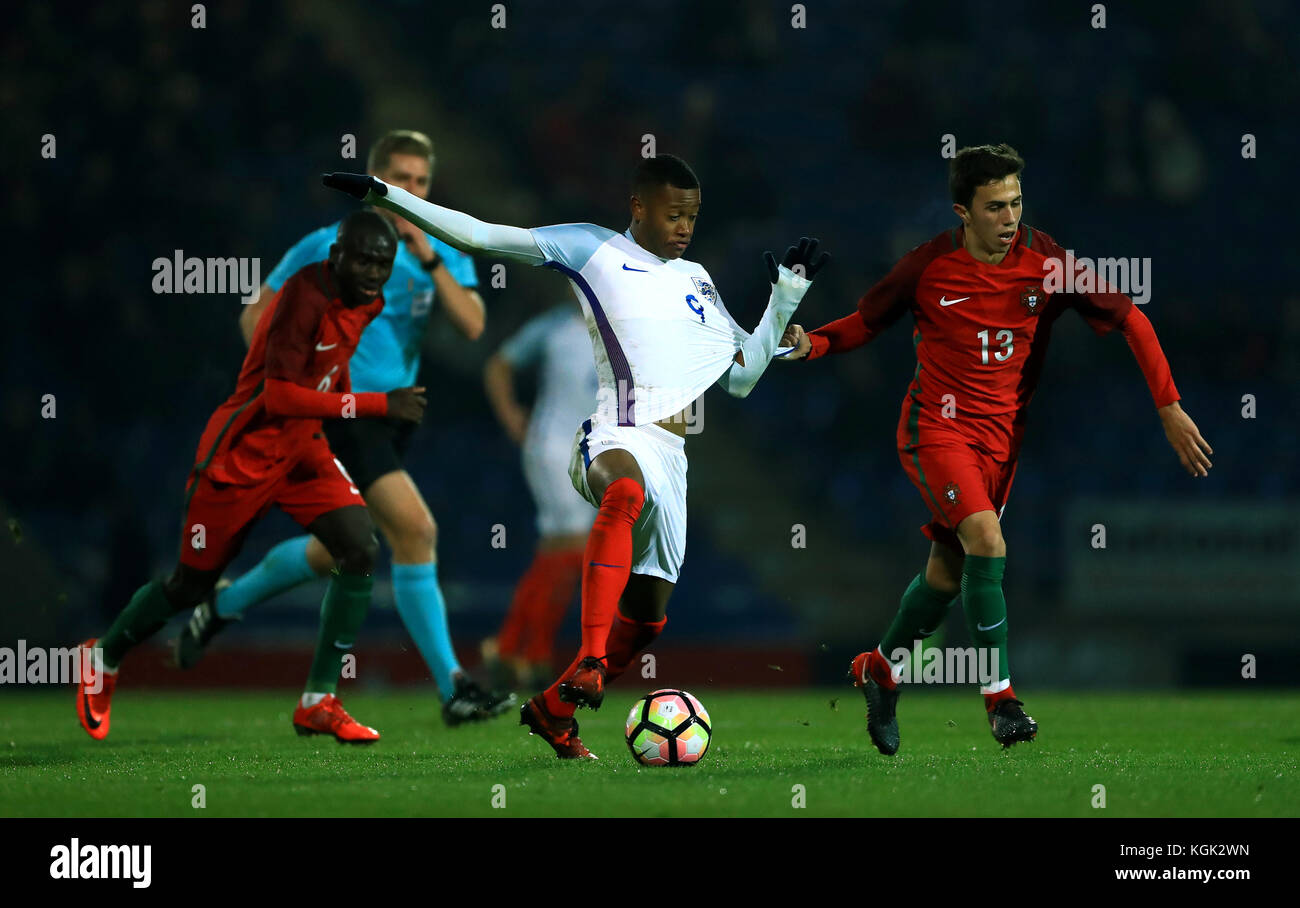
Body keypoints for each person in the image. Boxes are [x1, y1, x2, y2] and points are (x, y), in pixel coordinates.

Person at [322, 153, 829, 758]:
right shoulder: (592, 249)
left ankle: (553, 710)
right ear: (638, 206)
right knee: (624, 492)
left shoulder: (696, 279)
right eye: (673, 214)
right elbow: (481, 235)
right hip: (617, 433)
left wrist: (784, 303)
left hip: (673, 455)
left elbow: (742, 375)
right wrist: (383, 193)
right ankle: (587, 658)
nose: (685, 227)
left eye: (693, 216)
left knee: (646, 623)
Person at [782, 143, 1212, 753]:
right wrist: (814, 344)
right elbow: (866, 321)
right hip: (935, 429)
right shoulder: (928, 265)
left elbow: (1129, 317)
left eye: (1015, 203)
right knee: (986, 540)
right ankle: (1001, 700)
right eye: (994, 207)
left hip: (1000, 443)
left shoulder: (1046, 260)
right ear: (963, 211)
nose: (1010, 218)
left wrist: (1168, 406)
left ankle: (879, 670)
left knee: (947, 574)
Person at [174, 130, 511, 725]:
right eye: (399, 179)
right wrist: (304, 384)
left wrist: (429, 257)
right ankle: (453, 687)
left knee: (333, 549)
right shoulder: (326, 245)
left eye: (421, 182)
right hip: (346, 414)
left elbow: (473, 325)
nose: (412, 192)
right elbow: (255, 318)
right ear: (374, 184)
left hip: (393, 416)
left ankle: (224, 605)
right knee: (416, 531)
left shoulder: (439, 247)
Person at [77, 211, 424, 743]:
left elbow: (335, 363)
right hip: (242, 456)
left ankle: (318, 701)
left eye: (383, 263)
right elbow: (279, 396)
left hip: (303, 448)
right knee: (189, 585)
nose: (375, 273)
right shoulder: (302, 299)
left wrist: (340, 416)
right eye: (363, 261)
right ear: (336, 257)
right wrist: (376, 405)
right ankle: (103, 657)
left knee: (359, 546)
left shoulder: (368, 300)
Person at [482, 302, 599, 690]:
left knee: (558, 553)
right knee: (574, 548)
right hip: (552, 446)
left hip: (591, 451)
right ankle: (528, 651)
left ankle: (514, 651)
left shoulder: (622, 323)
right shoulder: (553, 326)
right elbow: (498, 365)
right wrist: (510, 414)